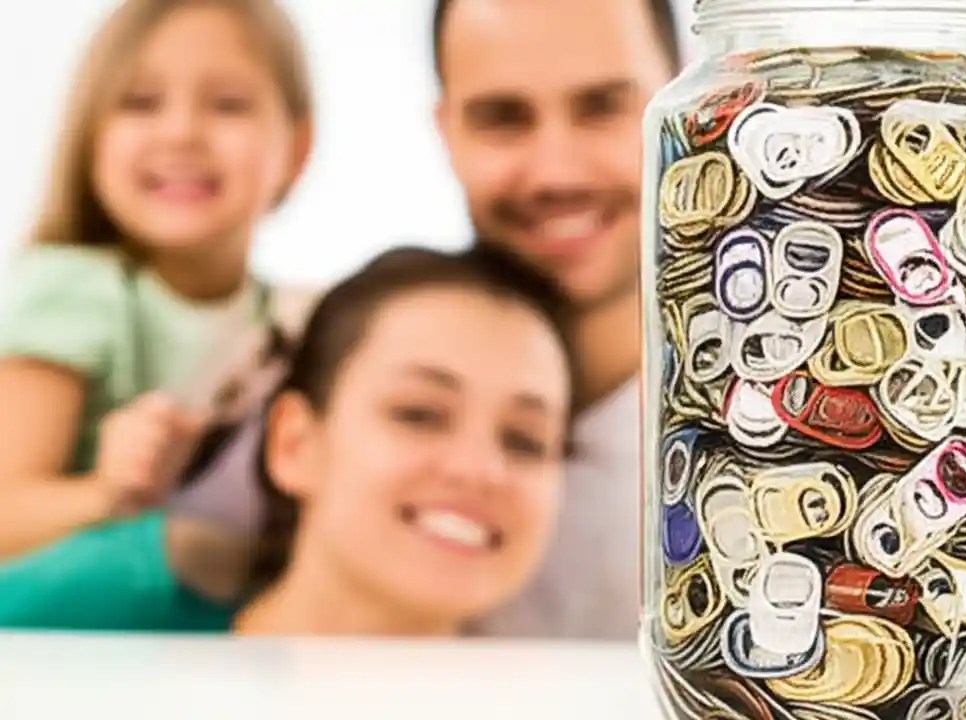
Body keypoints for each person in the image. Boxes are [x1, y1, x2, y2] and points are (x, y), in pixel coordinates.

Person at [0, 247, 578, 635]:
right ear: (294, 445)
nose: (478, 468)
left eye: (526, 441)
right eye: (419, 413)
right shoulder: (118, 591)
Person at [0, 0, 314, 558]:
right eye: (140, 103)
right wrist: (109, 492)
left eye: (229, 106)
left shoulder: (297, 320)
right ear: (89, 137)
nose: (181, 132)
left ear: (297, 148)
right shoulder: (72, 291)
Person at [432, 0, 680, 639]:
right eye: (503, 119)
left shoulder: (791, 420)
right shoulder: (341, 389)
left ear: (686, 109)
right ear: (445, 133)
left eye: (602, 107)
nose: (556, 171)